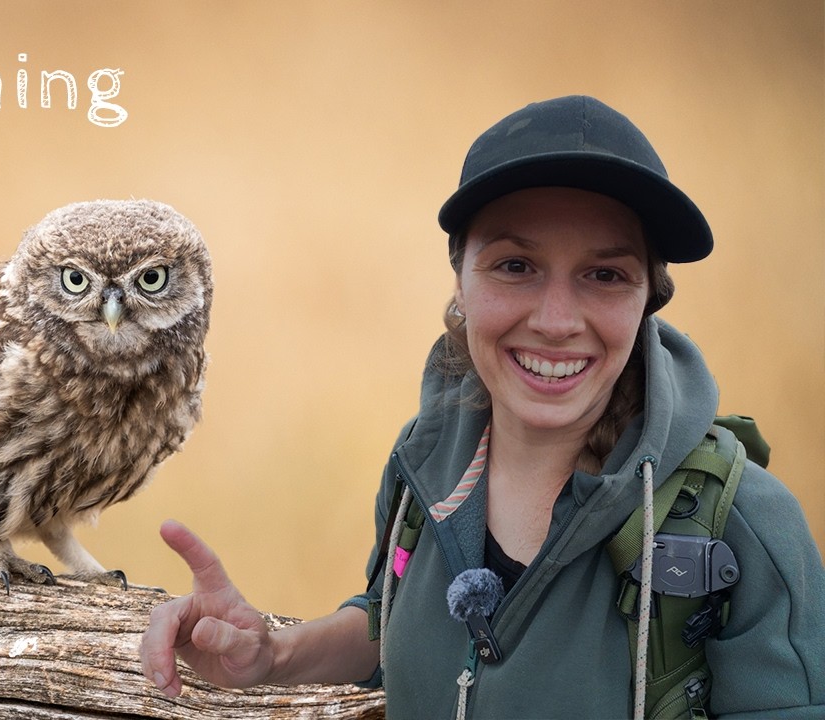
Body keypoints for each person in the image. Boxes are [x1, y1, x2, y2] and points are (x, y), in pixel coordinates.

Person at [138, 96, 825, 719]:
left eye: (605, 275)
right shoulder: (426, 463)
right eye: (515, 266)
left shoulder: (739, 526)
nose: (557, 321)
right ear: (460, 280)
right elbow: (392, 623)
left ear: (648, 299)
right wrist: (274, 657)